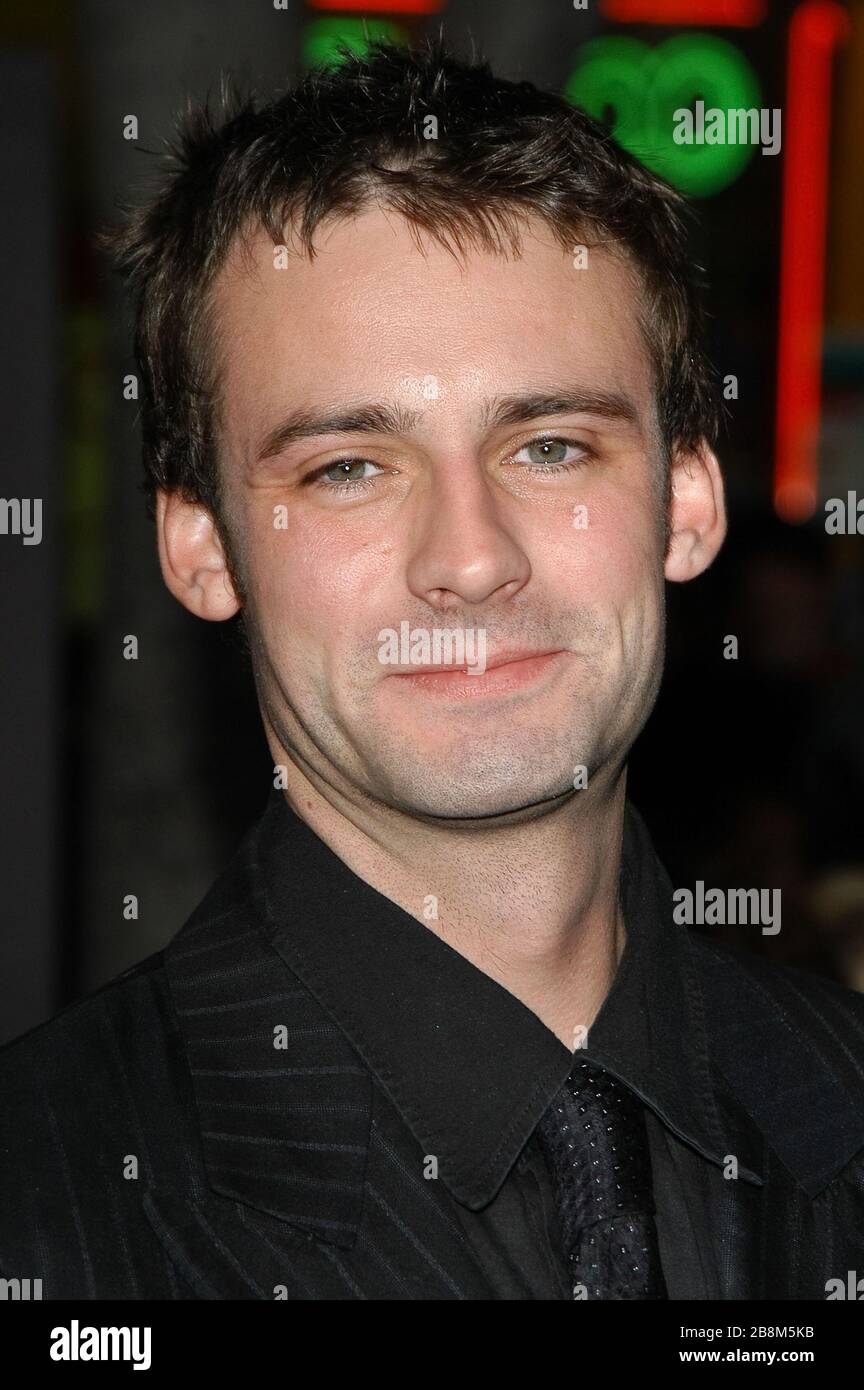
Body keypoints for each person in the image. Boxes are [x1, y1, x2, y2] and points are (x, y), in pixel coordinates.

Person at [2, 37, 863, 1302]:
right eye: (348, 465)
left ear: (688, 497)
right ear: (198, 544)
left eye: (552, 445)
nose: (469, 559)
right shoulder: (45, 1209)